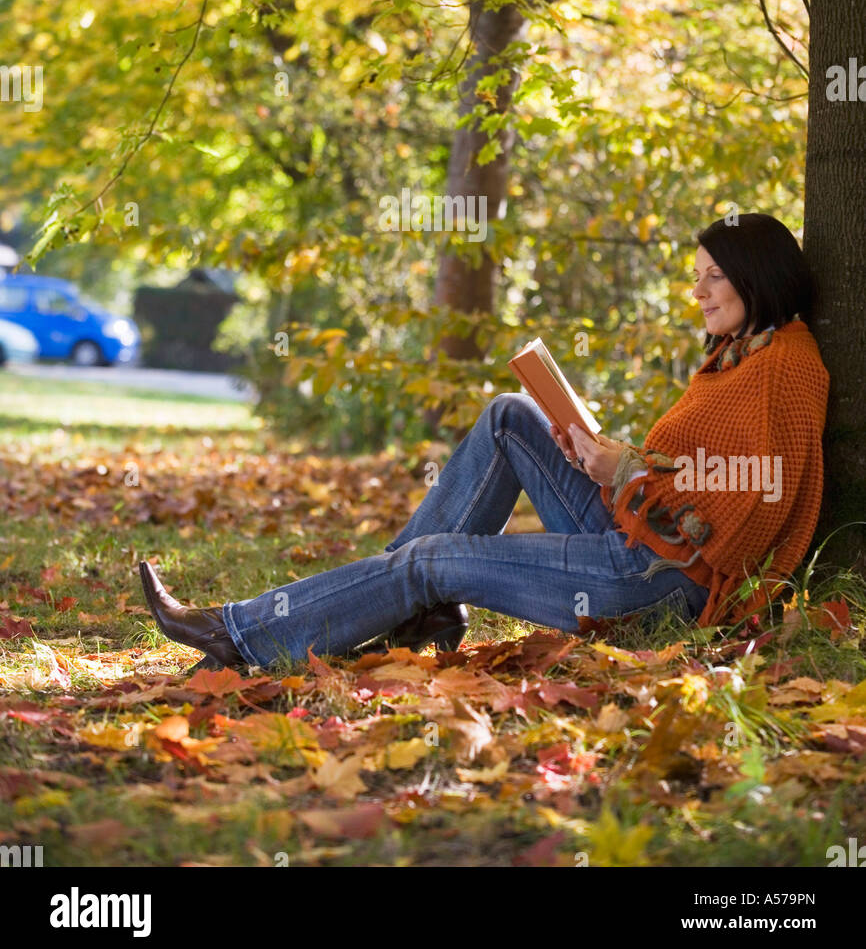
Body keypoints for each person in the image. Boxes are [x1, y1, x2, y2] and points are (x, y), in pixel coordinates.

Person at [139, 214, 829, 671]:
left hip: (661, 586)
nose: (699, 289)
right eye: (698, 273)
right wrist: (605, 457)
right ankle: (415, 611)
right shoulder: (739, 355)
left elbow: (753, 504)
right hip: (637, 543)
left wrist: (626, 471)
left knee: (430, 559)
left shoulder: (785, 368)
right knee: (510, 415)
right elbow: (692, 469)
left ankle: (238, 634)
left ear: (757, 274)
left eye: (715, 274)